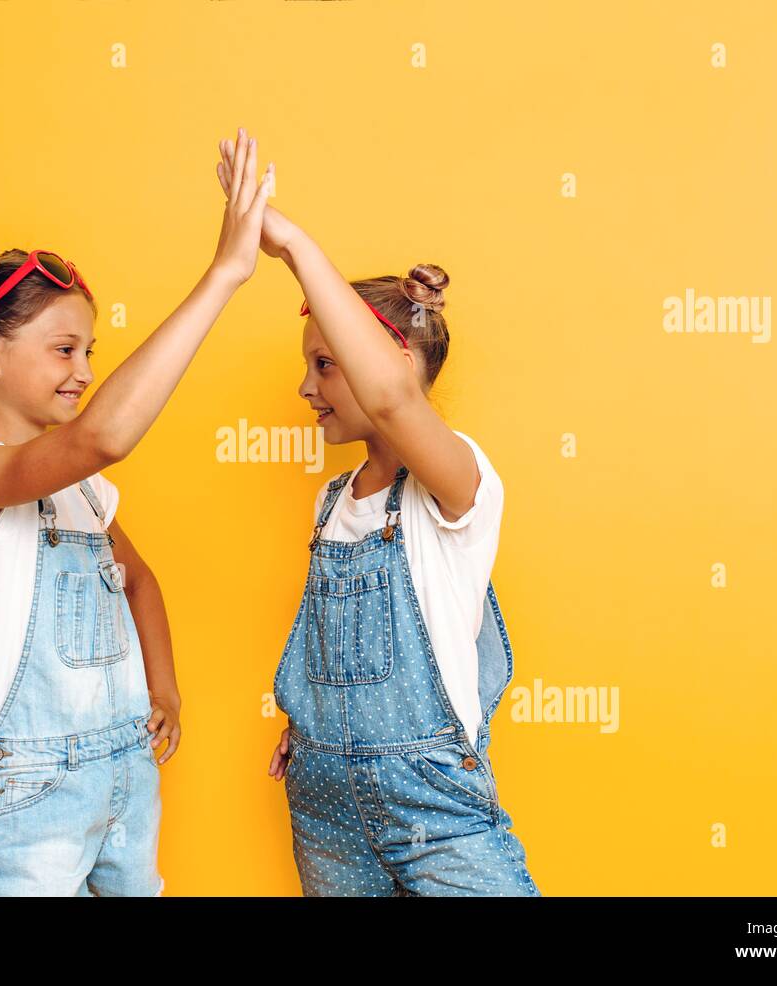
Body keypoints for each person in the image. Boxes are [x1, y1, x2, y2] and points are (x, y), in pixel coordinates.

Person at [0, 129, 273, 895]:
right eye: (64, 351)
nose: (85, 372)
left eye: (90, 352)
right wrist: (224, 274)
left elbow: (139, 579)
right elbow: (103, 437)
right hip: (30, 790)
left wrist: (165, 689)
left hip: (123, 773)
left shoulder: (84, 495)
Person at [214, 141, 541, 896]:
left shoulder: (459, 488)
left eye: (325, 364)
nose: (304, 386)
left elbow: (395, 401)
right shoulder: (332, 500)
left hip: (430, 797)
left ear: (383, 363)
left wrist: (291, 245)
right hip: (323, 798)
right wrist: (314, 724)